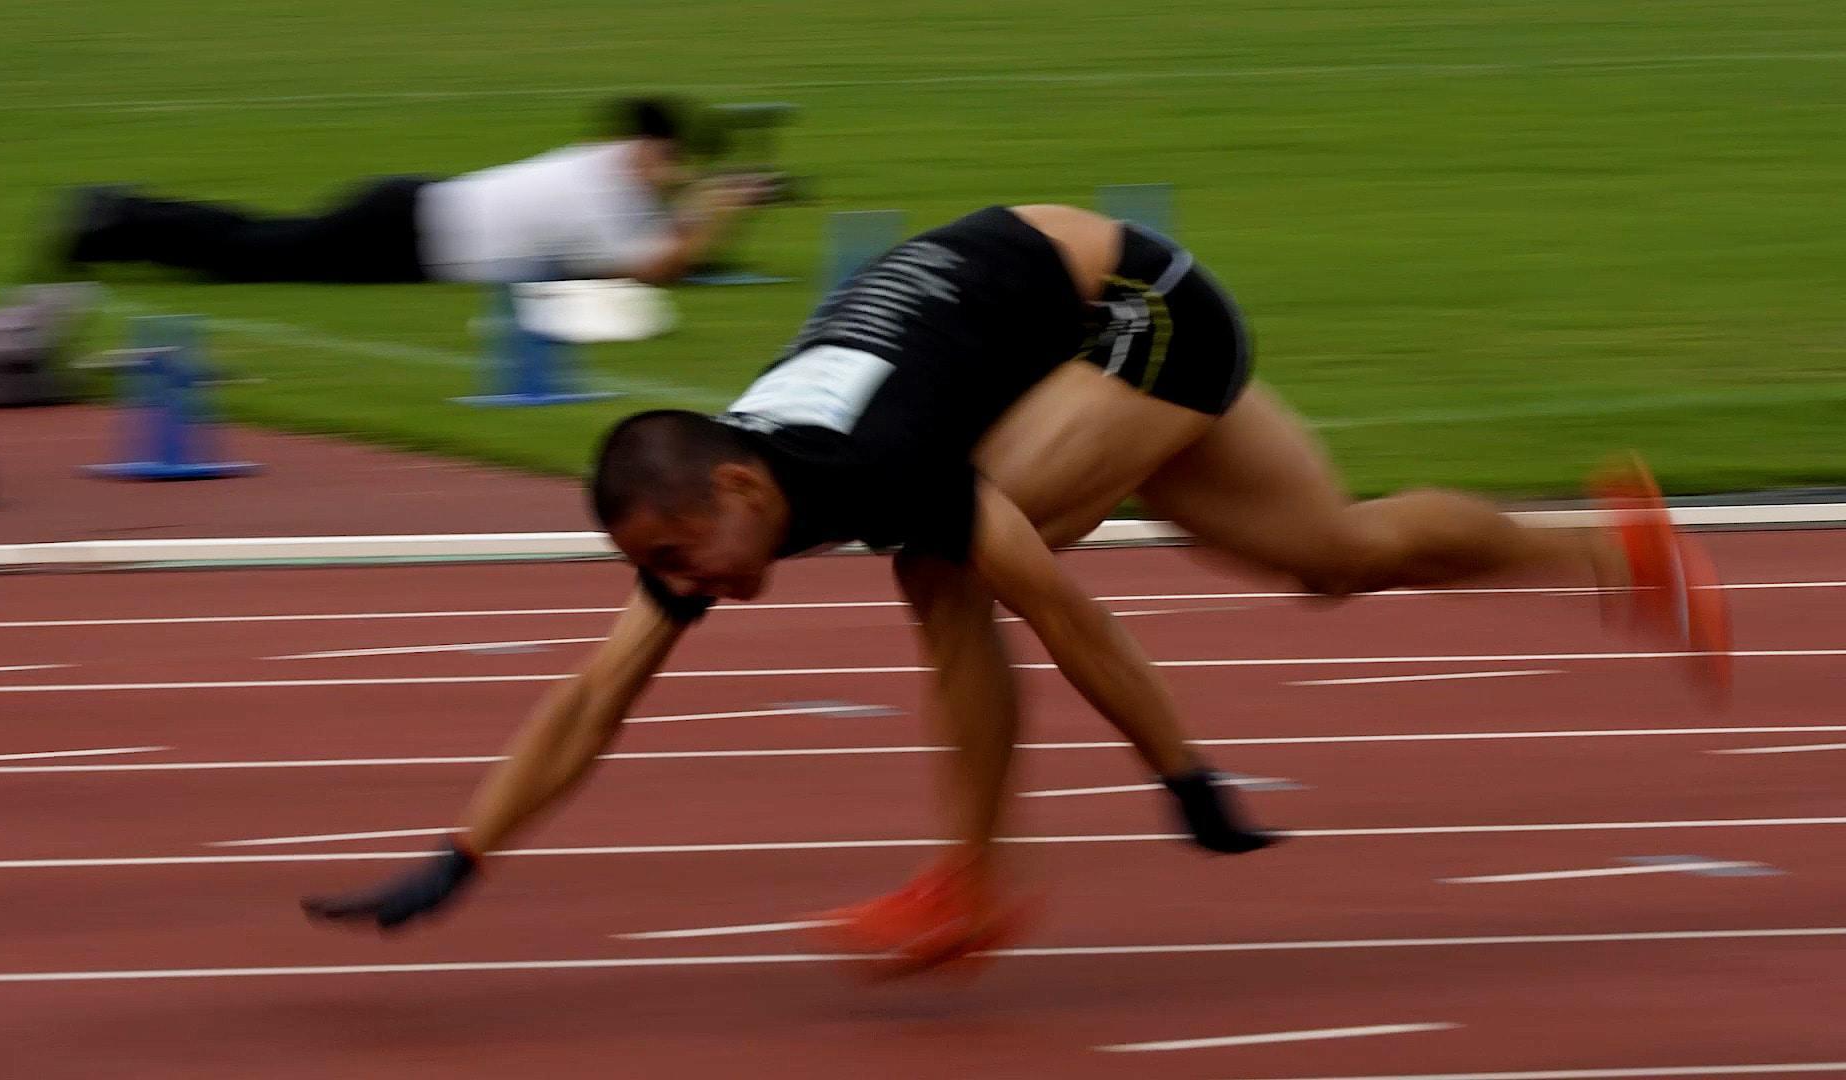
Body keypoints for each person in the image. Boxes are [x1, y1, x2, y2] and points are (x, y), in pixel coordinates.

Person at [302, 204, 1730, 975]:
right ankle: (1622, 551)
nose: (684, 592)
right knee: (1332, 559)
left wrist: (1182, 775)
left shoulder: (871, 463)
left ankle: (974, 887)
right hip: (1039, 328)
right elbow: (594, 694)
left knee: (951, 565)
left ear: (736, 496)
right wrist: (464, 853)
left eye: (678, 563)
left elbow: (1064, 606)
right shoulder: (719, 489)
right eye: (660, 574)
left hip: (1141, 312)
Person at [46, 98, 773, 286]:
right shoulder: (599, 194)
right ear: (650, 151)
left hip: (412, 222)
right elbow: (660, 266)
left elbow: (657, 241)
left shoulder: (602, 166)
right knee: (254, 250)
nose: (673, 177)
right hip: (406, 231)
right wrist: (717, 211)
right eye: (671, 162)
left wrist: (701, 212)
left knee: (259, 240)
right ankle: (113, 218)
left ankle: (120, 216)